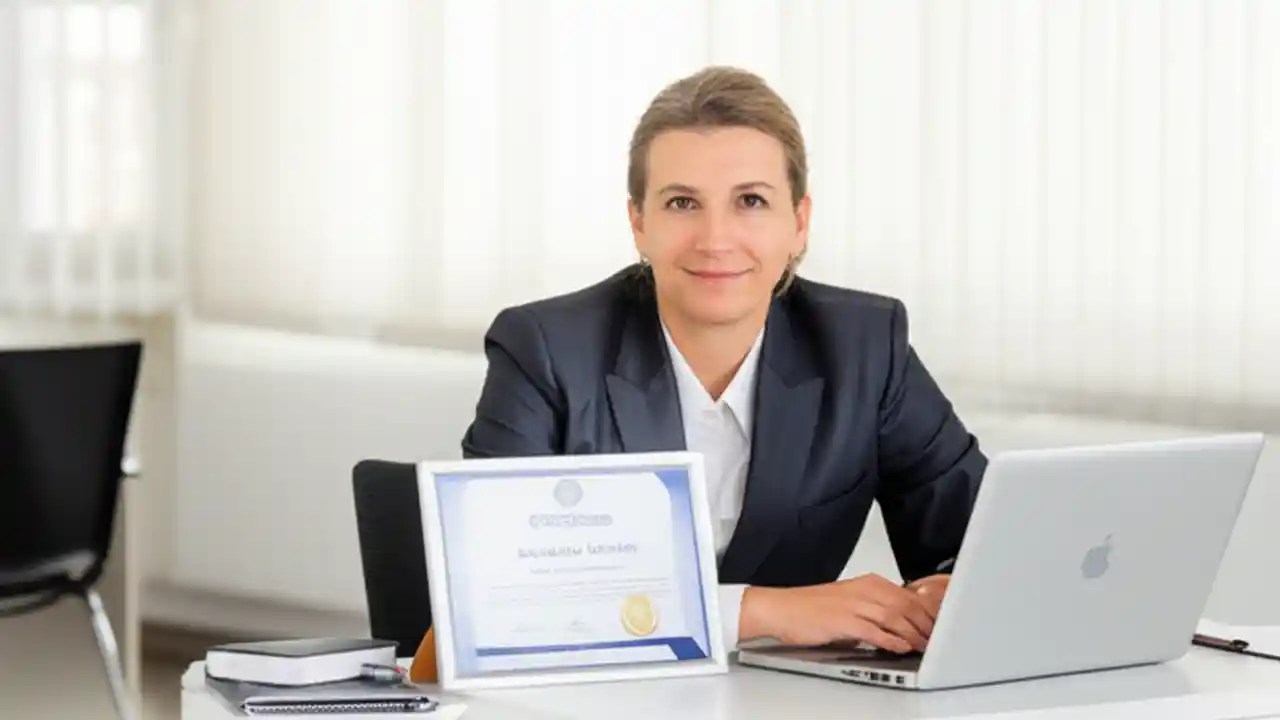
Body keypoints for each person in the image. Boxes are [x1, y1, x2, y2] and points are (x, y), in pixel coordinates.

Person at [462, 66, 987, 655]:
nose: (716, 238)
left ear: (799, 223)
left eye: (751, 202)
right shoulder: (544, 350)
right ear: (639, 223)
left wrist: (950, 592)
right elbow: (498, 595)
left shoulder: (864, 346)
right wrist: (764, 610)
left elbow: (981, 543)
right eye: (683, 202)